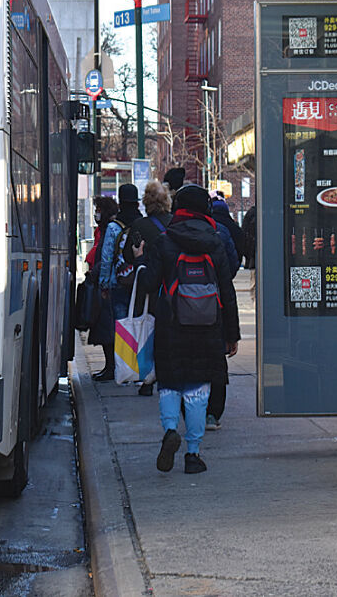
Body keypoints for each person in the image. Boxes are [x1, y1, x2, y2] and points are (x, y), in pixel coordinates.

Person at [133, 184, 239, 474]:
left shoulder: (165, 242)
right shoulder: (215, 242)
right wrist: (232, 335)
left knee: (170, 385)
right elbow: (227, 292)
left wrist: (141, 258)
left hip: (171, 327)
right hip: (208, 329)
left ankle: (170, 430)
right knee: (198, 390)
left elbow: (148, 285)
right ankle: (193, 454)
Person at [124, 180, 172, 396]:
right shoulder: (174, 223)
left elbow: (127, 254)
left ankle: (147, 374)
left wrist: (139, 258)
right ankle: (162, 372)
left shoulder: (140, 226)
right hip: (171, 287)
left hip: (148, 286)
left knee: (147, 329)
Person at [99, 184, 143, 377]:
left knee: (122, 324)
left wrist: (104, 283)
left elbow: (107, 256)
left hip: (119, 282)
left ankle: (125, 369)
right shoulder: (144, 223)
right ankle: (140, 365)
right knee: (140, 323)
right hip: (141, 282)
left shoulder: (113, 226)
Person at [207, 196, 243, 429]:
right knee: (216, 361)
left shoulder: (171, 234)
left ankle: (185, 417)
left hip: (179, 312)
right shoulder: (220, 233)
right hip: (215, 306)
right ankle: (213, 413)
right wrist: (233, 334)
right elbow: (232, 266)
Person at [87, 195, 119, 380]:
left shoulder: (109, 230)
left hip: (107, 283)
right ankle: (110, 366)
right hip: (106, 281)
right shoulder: (104, 229)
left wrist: (101, 279)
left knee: (107, 328)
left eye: (98, 210)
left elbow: (106, 257)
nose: (96, 214)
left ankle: (111, 367)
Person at [241, 204, 257, 293]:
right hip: (254, 256)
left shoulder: (251, 213)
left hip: (253, 257)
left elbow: (243, 235)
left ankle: (255, 304)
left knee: (253, 285)